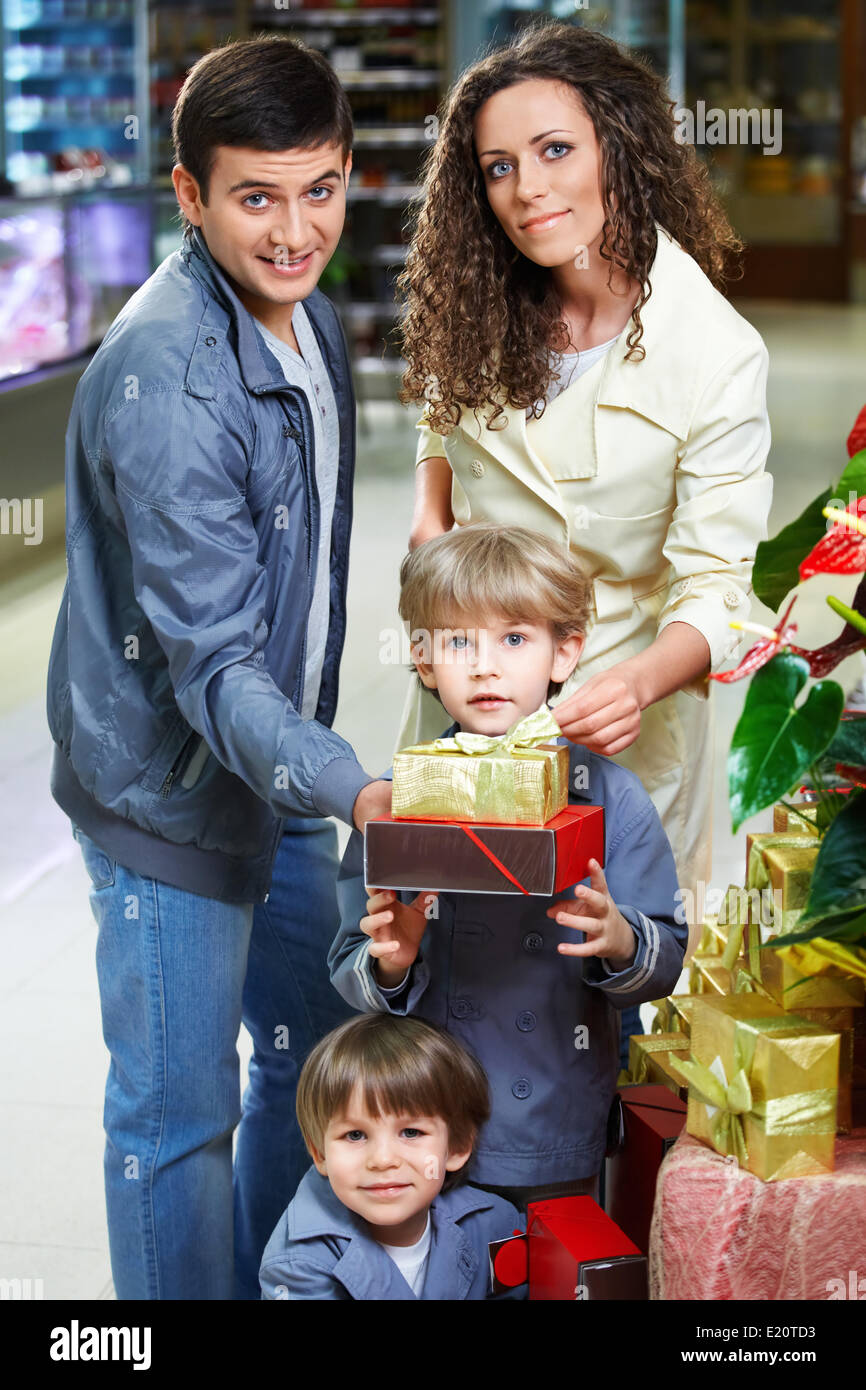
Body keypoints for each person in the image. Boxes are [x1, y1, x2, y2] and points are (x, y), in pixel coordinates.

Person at [45, 35, 392, 1300]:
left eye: (320, 188)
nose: (295, 230)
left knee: (316, 1065)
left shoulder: (307, 321)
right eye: (256, 195)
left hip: (275, 769)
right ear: (188, 195)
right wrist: (356, 787)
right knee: (172, 1126)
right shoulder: (172, 371)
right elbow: (214, 659)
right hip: (170, 805)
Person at [397, 20, 774, 1009]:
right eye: (497, 167)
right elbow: (441, 408)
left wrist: (640, 681)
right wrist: (432, 507)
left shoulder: (711, 354)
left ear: (619, 145)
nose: (527, 191)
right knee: (455, 983)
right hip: (470, 695)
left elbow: (719, 588)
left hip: (621, 715)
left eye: (555, 151)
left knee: (607, 991)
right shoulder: (477, 297)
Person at [329, 525, 687, 1207]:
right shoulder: (396, 799)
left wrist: (618, 936)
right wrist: (393, 960)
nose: (485, 665)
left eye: (515, 639)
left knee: (551, 1265)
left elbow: (666, 955)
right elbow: (349, 957)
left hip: (555, 1116)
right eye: (458, 641)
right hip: (422, 1125)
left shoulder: (612, 796)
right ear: (425, 661)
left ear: (566, 652)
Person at [259, 1013, 523, 1299]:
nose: (383, 1160)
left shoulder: (495, 1226)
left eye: (411, 1132)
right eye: (355, 1135)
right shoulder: (297, 1266)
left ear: (457, 1146)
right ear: (319, 1153)